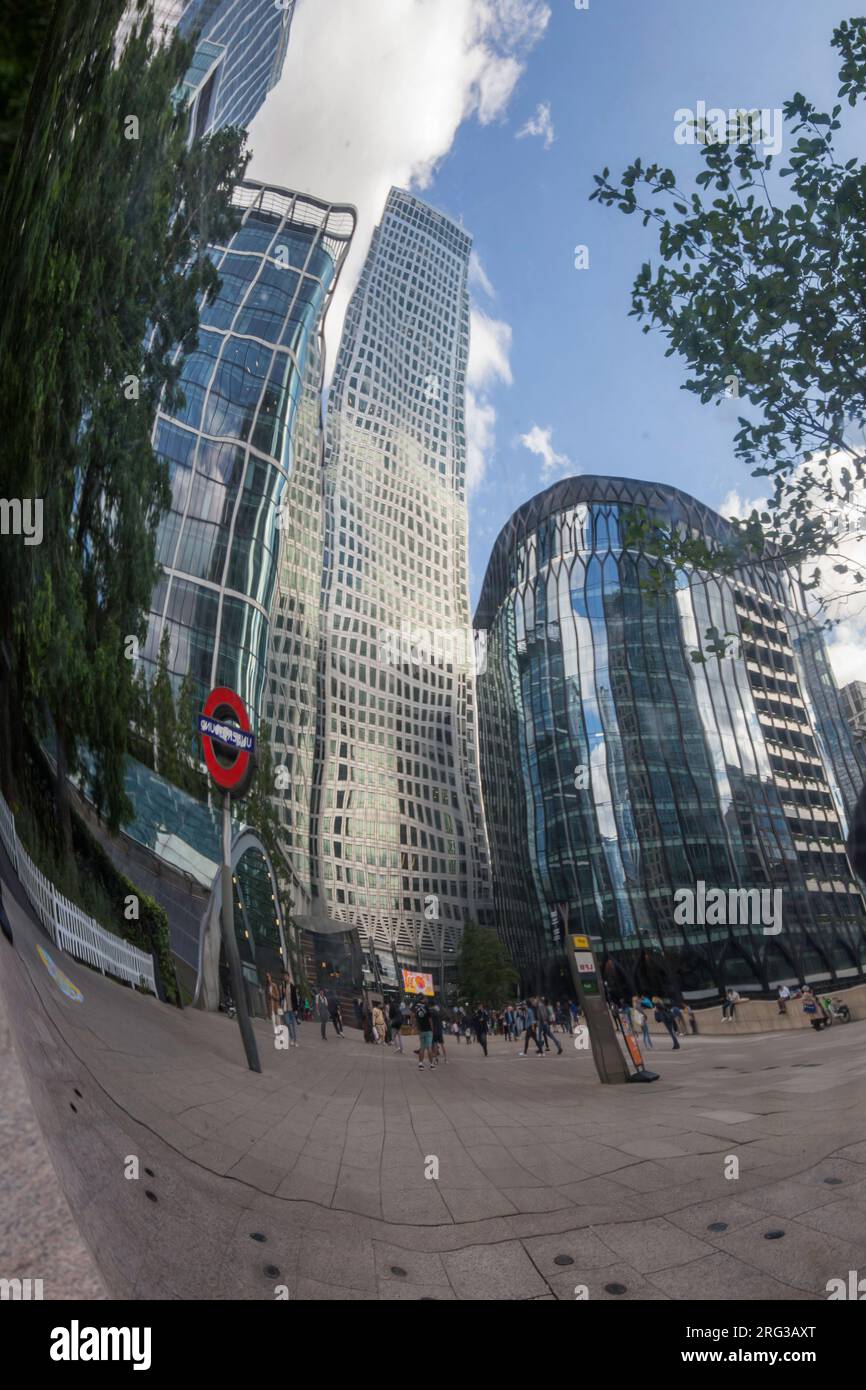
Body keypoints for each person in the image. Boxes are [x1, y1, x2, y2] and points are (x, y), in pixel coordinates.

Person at [414, 996, 435, 1070]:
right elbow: (430, 1020)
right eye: (426, 999)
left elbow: (415, 1019)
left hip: (421, 1031)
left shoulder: (417, 1008)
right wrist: (432, 1029)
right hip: (428, 1030)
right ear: (423, 1000)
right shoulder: (427, 1008)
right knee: (429, 1048)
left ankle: (420, 1065)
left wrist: (416, 1028)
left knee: (422, 1048)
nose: (427, 1000)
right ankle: (432, 1065)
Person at [281, 974, 299, 1047]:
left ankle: (295, 1041)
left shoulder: (292, 987)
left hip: (292, 1008)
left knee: (294, 1025)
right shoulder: (283, 986)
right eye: (284, 977)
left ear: (289, 977)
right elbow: (282, 997)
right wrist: (283, 992)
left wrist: (296, 1009)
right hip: (286, 1008)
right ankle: (291, 1038)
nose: (285, 978)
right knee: (288, 1023)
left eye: (286, 977)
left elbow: (295, 998)